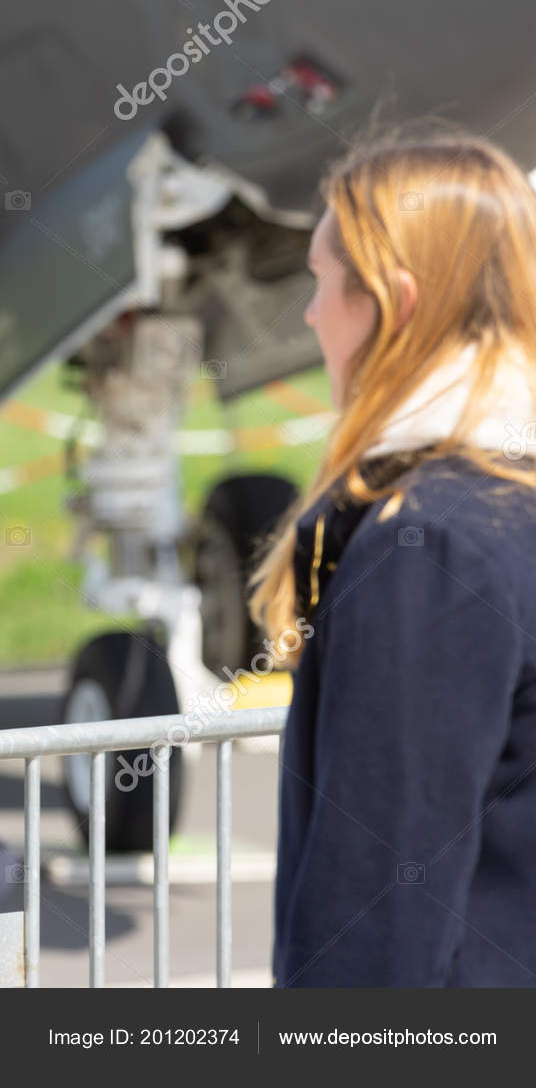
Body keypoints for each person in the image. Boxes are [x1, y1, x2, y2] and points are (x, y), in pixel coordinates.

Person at [252, 131, 536, 986]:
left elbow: (373, 911)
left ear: (392, 301)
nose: (310, 316)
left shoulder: (431, 545)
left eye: (320, 280)